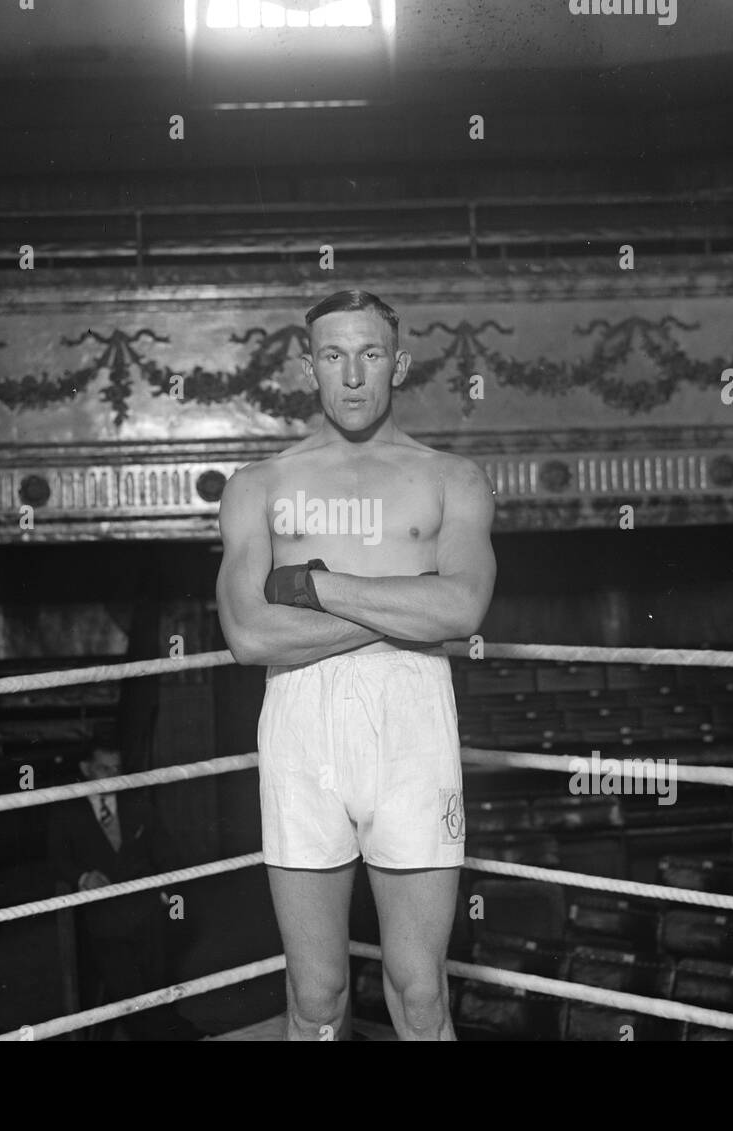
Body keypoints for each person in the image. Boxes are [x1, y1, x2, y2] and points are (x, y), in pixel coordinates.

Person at [216, 289, 497, 1040]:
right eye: (333, 355)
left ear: (398, 363)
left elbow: (464, 609)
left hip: (412, 721)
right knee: (316, 996)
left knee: (419, 992)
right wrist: (401, 611)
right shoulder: (259, 484)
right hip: (301, 724)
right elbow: (248, 634)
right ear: (308, 365)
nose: (351, 375)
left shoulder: (453, 478)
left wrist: (315, 587)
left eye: (370, 354)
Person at [47, 746, 169, 1039]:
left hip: (146, 909)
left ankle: (161, 1028)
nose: (113, 776)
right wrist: (83, 876)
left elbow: (165, 850)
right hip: (103, 917)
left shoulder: (137, 802)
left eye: (117, 768)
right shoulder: (66, 810)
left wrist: (169, 895)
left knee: (157, 983)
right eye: (104, 768)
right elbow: (55, 858)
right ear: (86, 768)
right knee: (125, 987)